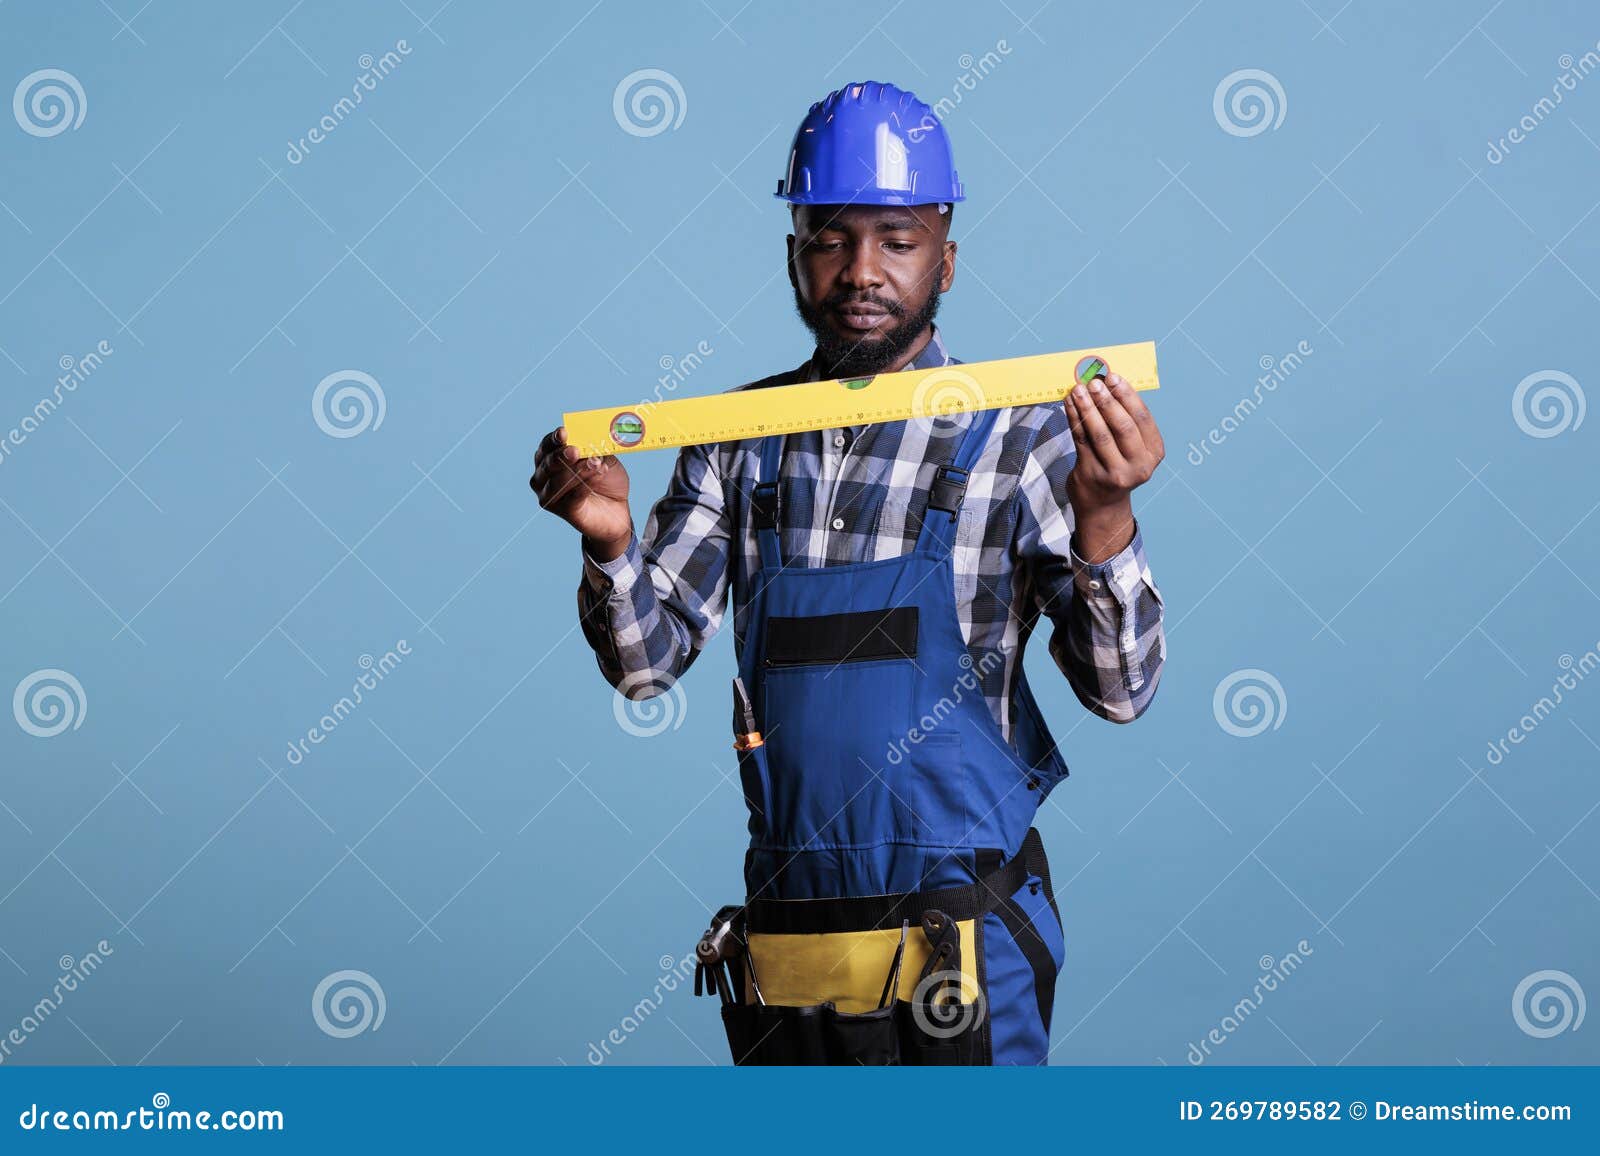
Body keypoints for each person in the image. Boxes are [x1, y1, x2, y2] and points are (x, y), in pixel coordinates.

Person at [531, 80, 1167, 1065]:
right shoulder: (736, 442)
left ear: (944, 257)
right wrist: (609, 542)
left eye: (896, 239)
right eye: (831, 238)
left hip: (961, 941)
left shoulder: (1024, 438)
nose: (860, 269)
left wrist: (1106, 517)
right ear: (794, 252)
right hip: (792, 944)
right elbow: (643, 669)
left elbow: (1122, 692)